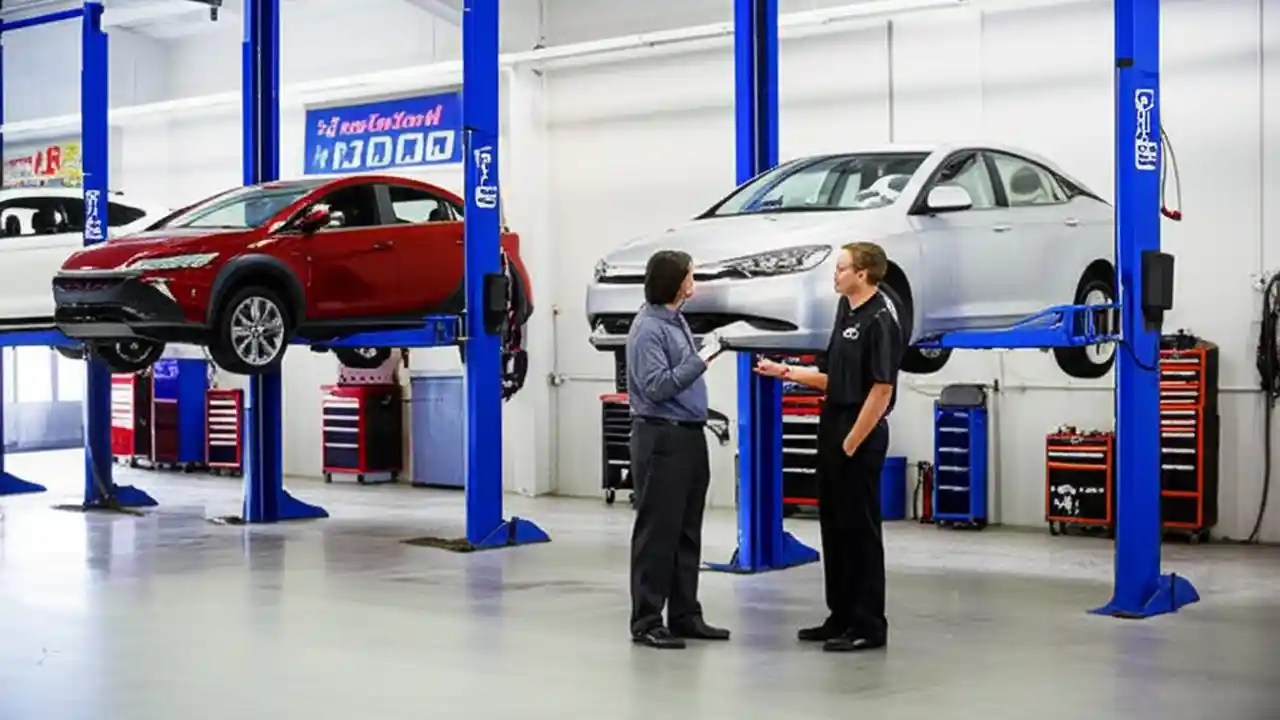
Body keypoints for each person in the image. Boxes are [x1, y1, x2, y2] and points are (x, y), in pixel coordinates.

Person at [755, 241, 903, 652]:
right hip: (834, 421)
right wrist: (784, 371)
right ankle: (840, 614)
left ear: (862, 274)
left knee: (860, 531)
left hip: (860, 429)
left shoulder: (880, 319)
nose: (834, 275)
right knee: (835, 528)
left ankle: (868, 624)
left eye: (841, 269)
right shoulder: (846, 313)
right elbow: (833, 376)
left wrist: (853, 441)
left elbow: (881, 388)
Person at [625, 249, 731, 650]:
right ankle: (647, 621)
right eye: (690, 276)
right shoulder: (648, 328)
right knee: (657, 532)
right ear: (675, 281)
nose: (694, 283)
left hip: (687, 434)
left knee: (687, 530)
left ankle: (685, 614)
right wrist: (703, 359)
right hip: (660, 436)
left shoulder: (675, 319)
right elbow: (656, 385)